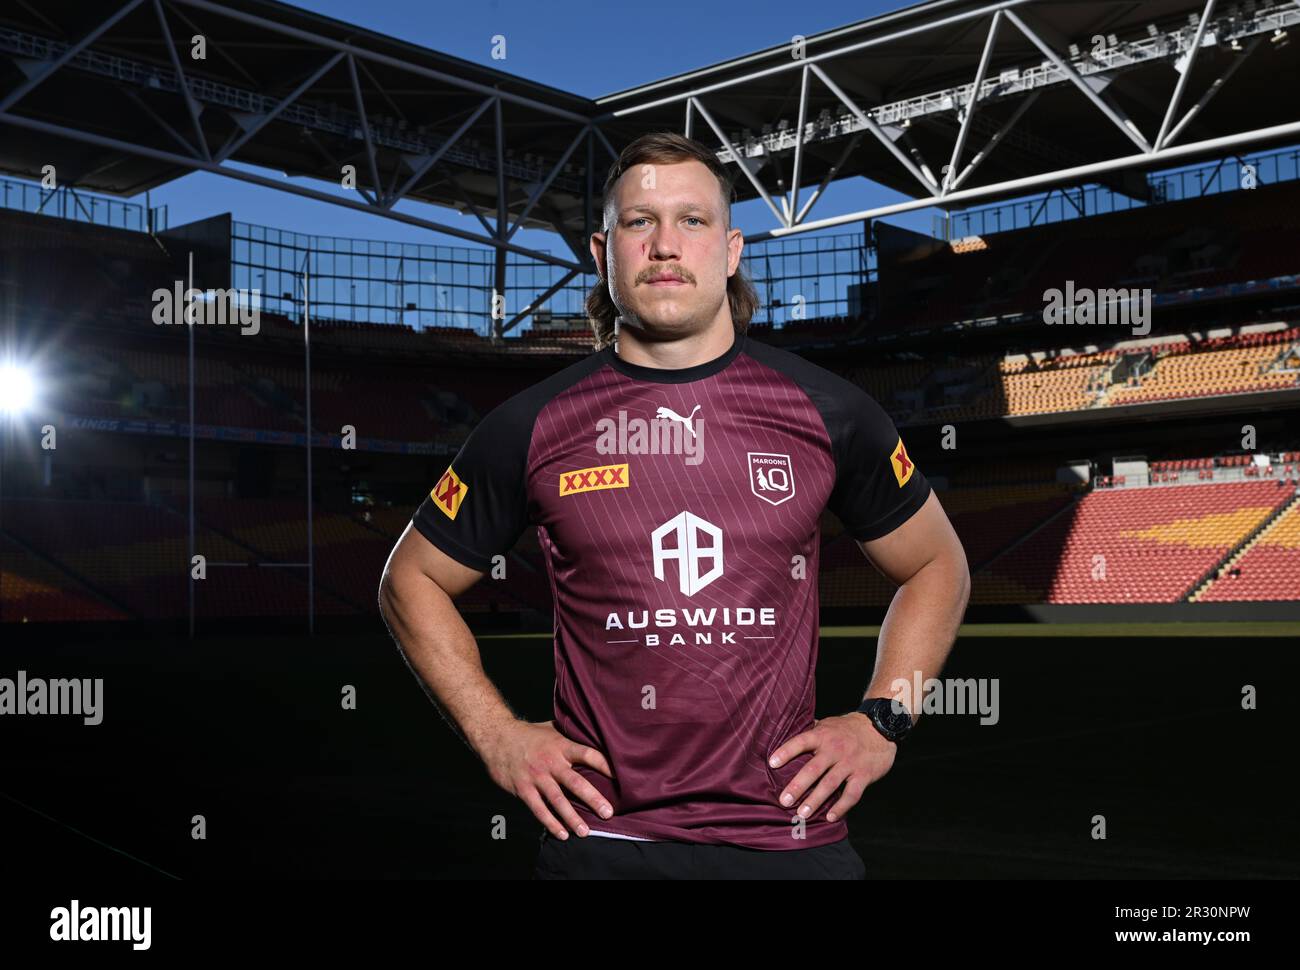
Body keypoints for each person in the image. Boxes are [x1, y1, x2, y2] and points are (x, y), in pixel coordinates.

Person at [379, 132, 969, 879]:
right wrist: (496, 734)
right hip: (603, 848)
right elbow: (410, 579)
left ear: (730, 250)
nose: (665, 244)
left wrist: (884, 718)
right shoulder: (532, 425)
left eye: (692, 220)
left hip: (792, 845)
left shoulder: (831, 413)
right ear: (602, 253)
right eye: (639, 222)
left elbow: (937, 565)